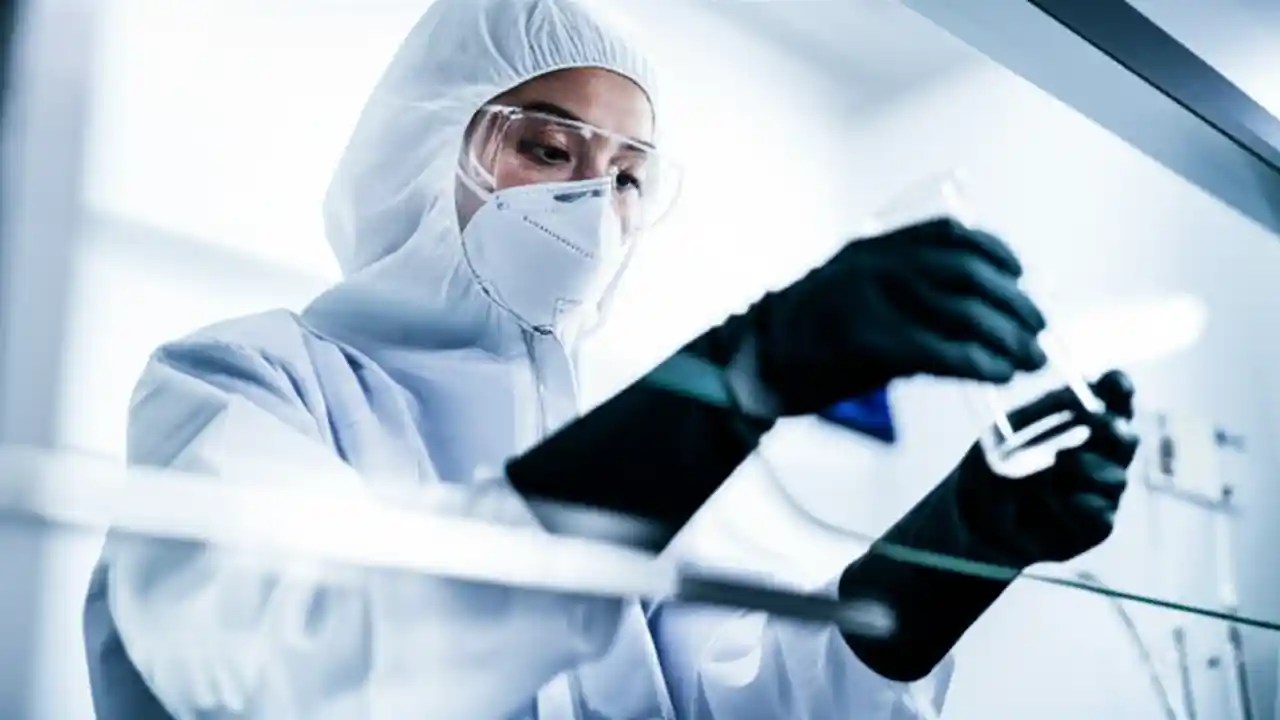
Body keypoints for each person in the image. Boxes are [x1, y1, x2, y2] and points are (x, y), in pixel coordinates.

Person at [82, 0, 1139, 717]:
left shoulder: (624, 450)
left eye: (629, 175)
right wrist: (741, 373)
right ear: (421, 143)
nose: (593, 202)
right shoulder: (247, 382)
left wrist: (950, 549)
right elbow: (308, 660)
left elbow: (754, 697)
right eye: (547, 149)